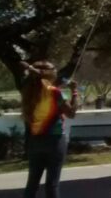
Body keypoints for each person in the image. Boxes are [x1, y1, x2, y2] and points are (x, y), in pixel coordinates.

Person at [20, 61, 78, 198]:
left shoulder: (28, 92)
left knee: (32, 184)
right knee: (52, 184)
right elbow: (71, 113)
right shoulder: (55, 92)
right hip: (55, 141)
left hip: (35, 142)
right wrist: (74, 91)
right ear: (50, 74)